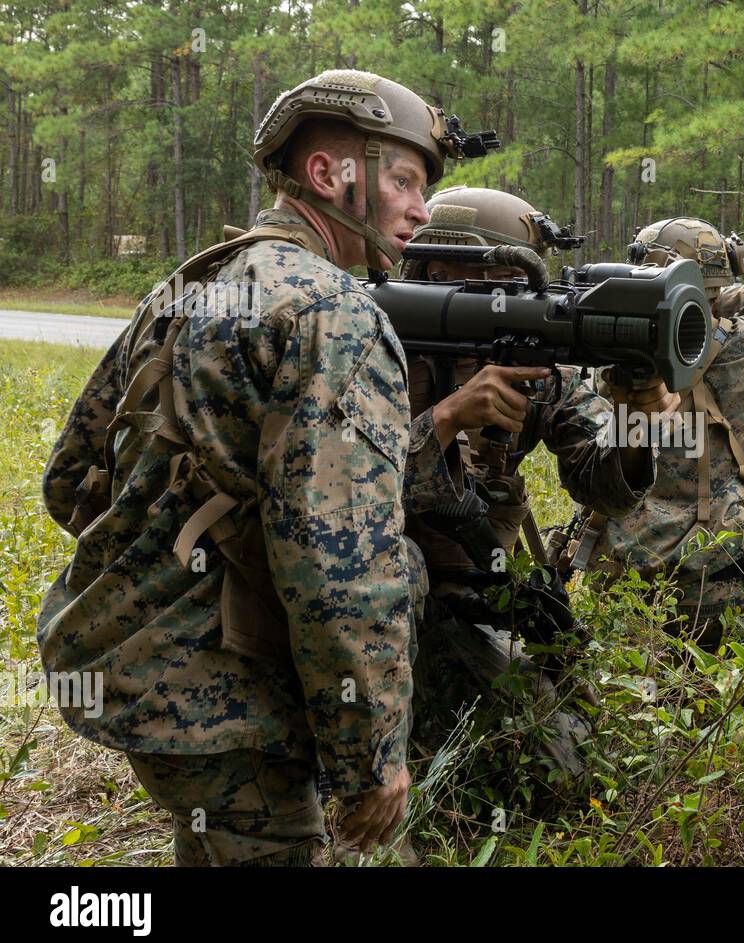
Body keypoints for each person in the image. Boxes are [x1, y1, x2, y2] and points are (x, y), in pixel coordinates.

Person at [36, 69, 478, 866]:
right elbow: (342, 566)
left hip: (134, 674)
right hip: (227, 704)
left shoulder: (187, 286)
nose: (422, 209)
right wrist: (370, 758)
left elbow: (69, 480)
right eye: (407, 180)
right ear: (329, 174)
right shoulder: (336, 316)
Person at [395, 186, 673, 767]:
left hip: (477, 587)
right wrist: (445, 420)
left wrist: (637, 422)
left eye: (511, 282)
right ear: (430, 265)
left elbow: (602, 486)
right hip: (373, 594)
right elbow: (338, 490)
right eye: (489, 278)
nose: (507, 298)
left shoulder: (537, 368)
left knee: (575, 758)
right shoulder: (371, 348)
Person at [561, 217, 744, 651]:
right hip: (720, 565)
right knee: (729, 692)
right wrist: (722, 293)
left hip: (625, 564)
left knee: (634, 696)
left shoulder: (612, 349)